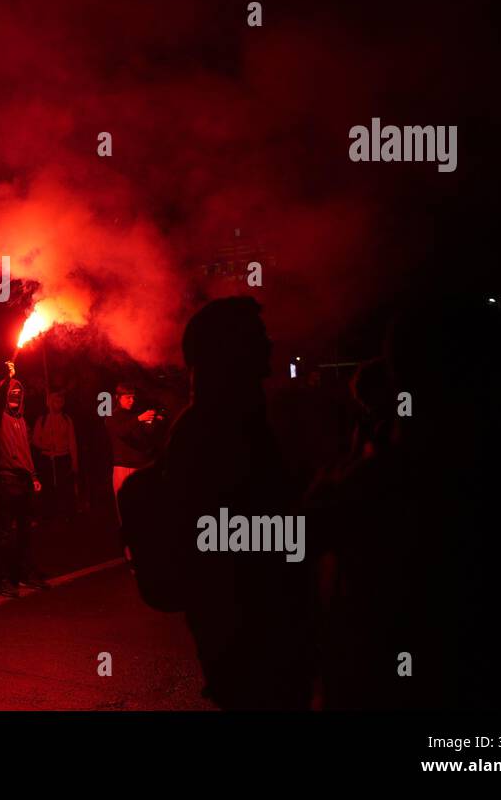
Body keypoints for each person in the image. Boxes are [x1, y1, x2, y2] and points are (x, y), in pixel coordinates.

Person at [120, 297, 310, 710]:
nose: (269, 345)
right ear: (230, 352)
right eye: (257, 338)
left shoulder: (233, 419)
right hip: (247, 630)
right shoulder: (215, 429)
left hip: (251, 626)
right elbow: (229, 538)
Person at [0, 361, 48, 596]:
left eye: (18, 394)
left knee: (26, 531)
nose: (15, 396)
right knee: (4, 532)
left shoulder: (21, 421)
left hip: (23, 481)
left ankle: (25, 574)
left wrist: (33, 475)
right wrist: (8, 376)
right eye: (11, 393)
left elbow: (26, 451)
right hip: (6, 480)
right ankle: (1, 579)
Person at [106, 381, 163, 505]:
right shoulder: (112, 417)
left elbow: (148, 435)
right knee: (124, 507)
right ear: (118, 398)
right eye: (128, 397)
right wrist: (139, 419)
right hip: (122, 468)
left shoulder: (136, 415)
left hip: (139, 467)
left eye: (133, 397)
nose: (132, 400)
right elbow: (121, 431)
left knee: (141, 506)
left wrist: (154, 421)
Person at [32, 390, 78, 518]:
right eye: (56, 401)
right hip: (47, 458)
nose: (59, 404)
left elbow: (72, 442)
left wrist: (74, 463)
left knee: (64, 487)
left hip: (63, 458)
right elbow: (35, 440)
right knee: (48, 487)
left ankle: (65, 514)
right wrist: (45, 446)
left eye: (61, 401)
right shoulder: (42, 419)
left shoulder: (67, 420)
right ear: (50, 402)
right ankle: (48, 513)